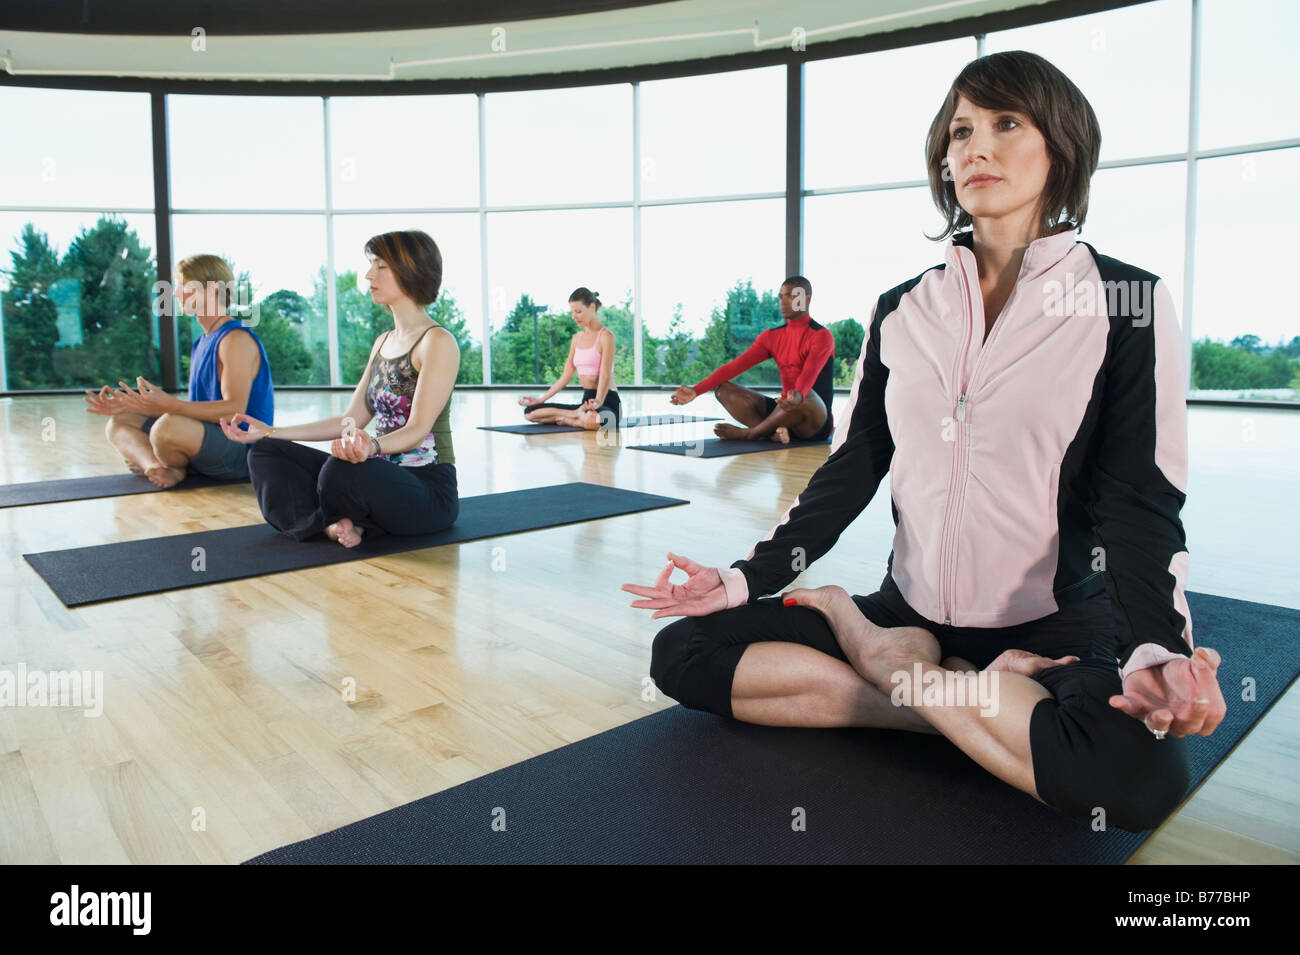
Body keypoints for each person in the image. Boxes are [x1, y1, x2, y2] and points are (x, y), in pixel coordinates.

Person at [625, 51, 1227, 834]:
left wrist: (1157, 645)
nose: (975, 147)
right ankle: (952, 696)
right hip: (910, 609)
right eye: (960, 130)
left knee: (1138, 776)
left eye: (1006, 123)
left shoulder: (1127, 303)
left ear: (1062, 143)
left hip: (1057, 626)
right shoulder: (901, 309)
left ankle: (888, 665)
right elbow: (853, 468)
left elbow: (1138, 499)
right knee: (683, 653)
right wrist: (747, 577)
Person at [219, 230, 458, 549]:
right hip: (376, 473)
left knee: (341, 469)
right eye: (371, 264)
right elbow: (349, 420)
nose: (368, 274)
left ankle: (333, 522)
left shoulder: (438, 342)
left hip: (427, 491)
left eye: (381, 266)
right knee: (266, 452)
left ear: (411, 269)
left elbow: (417, 430)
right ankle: (337, 526)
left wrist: (369, 448)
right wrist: (270, 431)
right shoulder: (383, 343)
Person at [85, 253, 274, 487]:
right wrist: (138, 406)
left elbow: (234, 410)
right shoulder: (201, 343)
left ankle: (172, 464)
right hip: (210, 437)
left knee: (167, 427)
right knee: (120, 421)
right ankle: (157, 466)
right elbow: (198, 411)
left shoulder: (235, 340)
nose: (175, 293)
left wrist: (168, 406)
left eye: (185, 286)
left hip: (242, 451)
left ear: (213, 289)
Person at [669, 276, 834, 444]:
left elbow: (809, 372)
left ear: (807, 298)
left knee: (805, 395)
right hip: (782, 411)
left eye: (791, 296)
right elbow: (734, 367)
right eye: (781, 296)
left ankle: (750, 434)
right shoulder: (771, 337)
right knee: (723, 389)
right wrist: (696, 390)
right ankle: (772, 434)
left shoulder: (821, 336)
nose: (783, 301)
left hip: (814, 421)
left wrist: (796, 397)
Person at [518, 287, 621, 430]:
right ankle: (576, 414)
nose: (574, 316)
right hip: (586, 401)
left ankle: (574, 420)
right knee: (530, 413)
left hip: (607, 399)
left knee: (597, 419)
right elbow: (565, 376)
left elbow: (604, 374)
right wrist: (540, 400)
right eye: (572, 312)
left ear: (591, 307)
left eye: (578, 312)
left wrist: (598, 401)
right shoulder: (576, 339)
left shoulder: (606, 337)